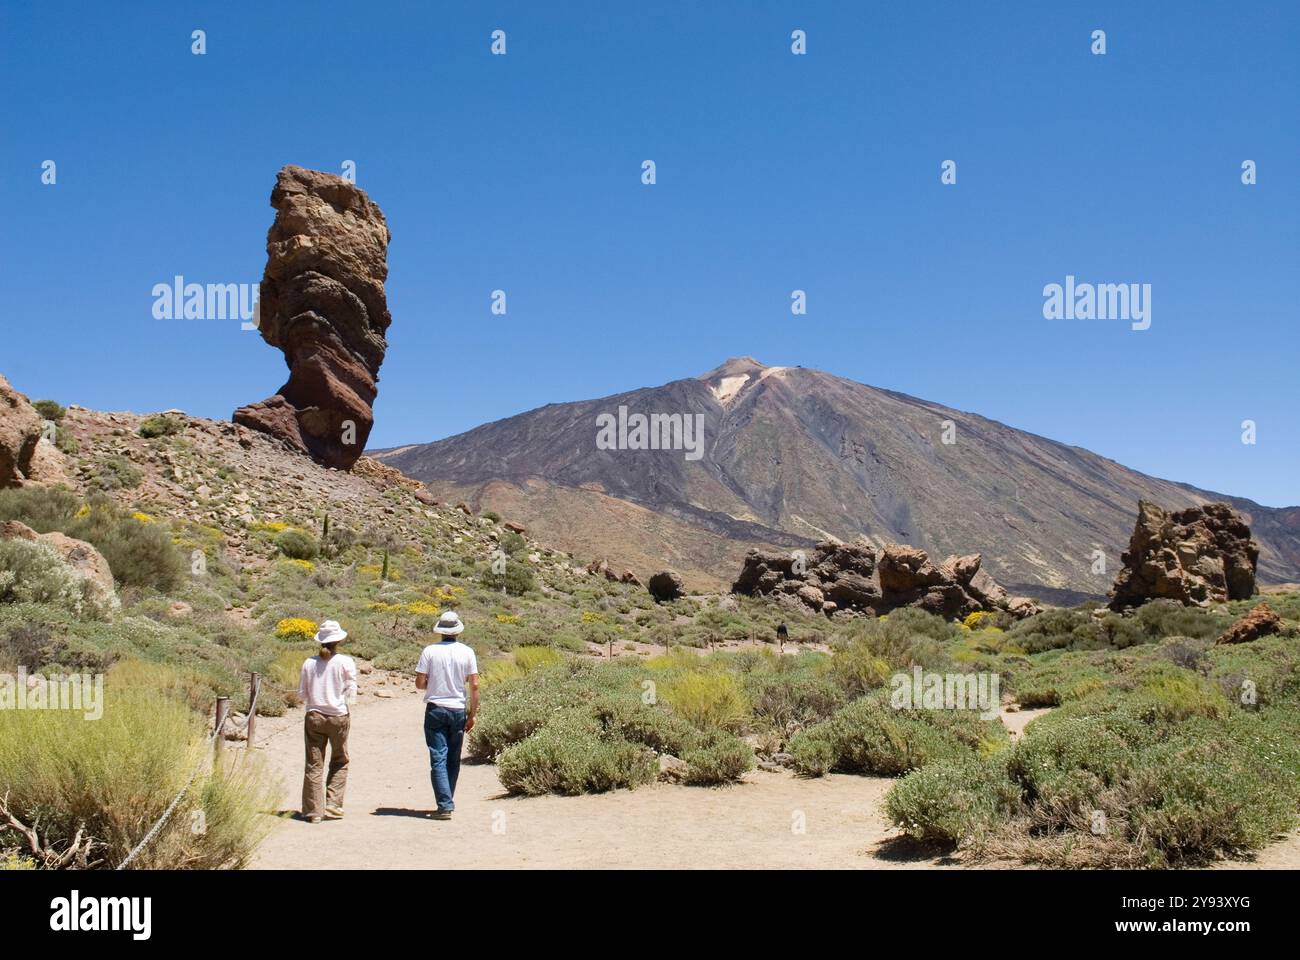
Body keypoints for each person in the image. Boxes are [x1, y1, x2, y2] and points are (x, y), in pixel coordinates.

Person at [415, 611, 479, 820]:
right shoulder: (467, 652)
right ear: (457, 630)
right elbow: (475, 684)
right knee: (453, 758)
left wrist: (430, 683)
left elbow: (419, 683)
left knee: (438, 757)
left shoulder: (429, 651)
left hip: (436, 708)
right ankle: (447, 801)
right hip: (457, 709)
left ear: (440, 631)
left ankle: (444, 805)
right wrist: (472, 714)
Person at [298, 620, 357, 824]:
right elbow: (351, 689)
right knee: (340, 759)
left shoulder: (309, 663)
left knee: (314, 763)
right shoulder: (345, 662)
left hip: (314, 715)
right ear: (339, 640)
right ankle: (333, 804)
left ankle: (314, 811)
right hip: (338, 716)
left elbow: (302, 693)